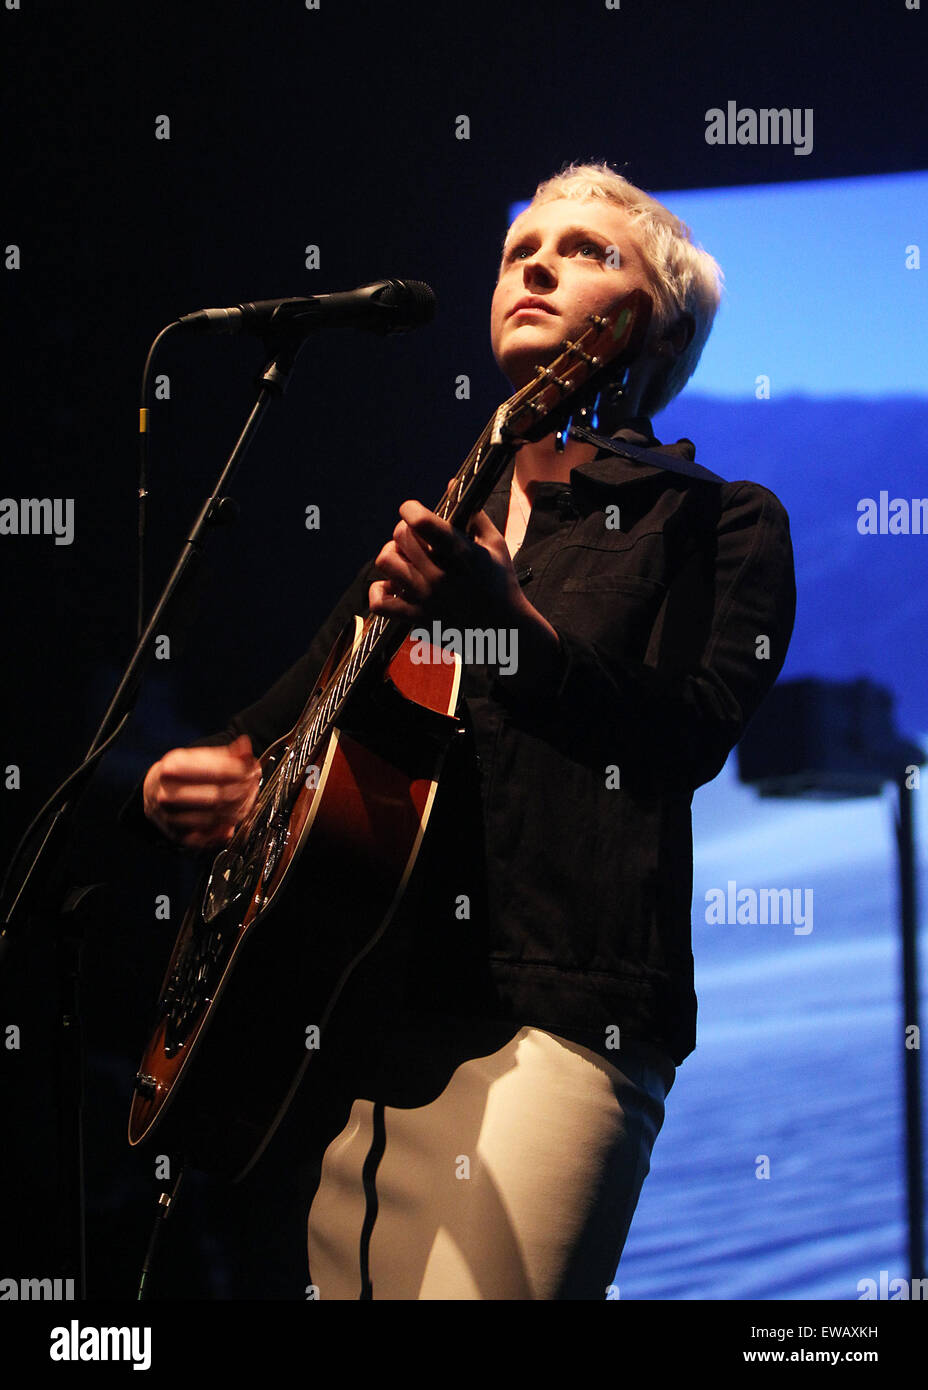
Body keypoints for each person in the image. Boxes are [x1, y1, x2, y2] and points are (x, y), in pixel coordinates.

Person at [134, 162, 796, 1299]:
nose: (534, 263)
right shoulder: (436, 536)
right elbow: (274, 740)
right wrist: (207, 783)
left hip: (555, 1019)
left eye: (588, 250)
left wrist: (514, 631)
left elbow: (686, 736)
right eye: (517, 250)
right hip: (365, 1025)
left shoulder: (717, 520)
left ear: (658, 322)